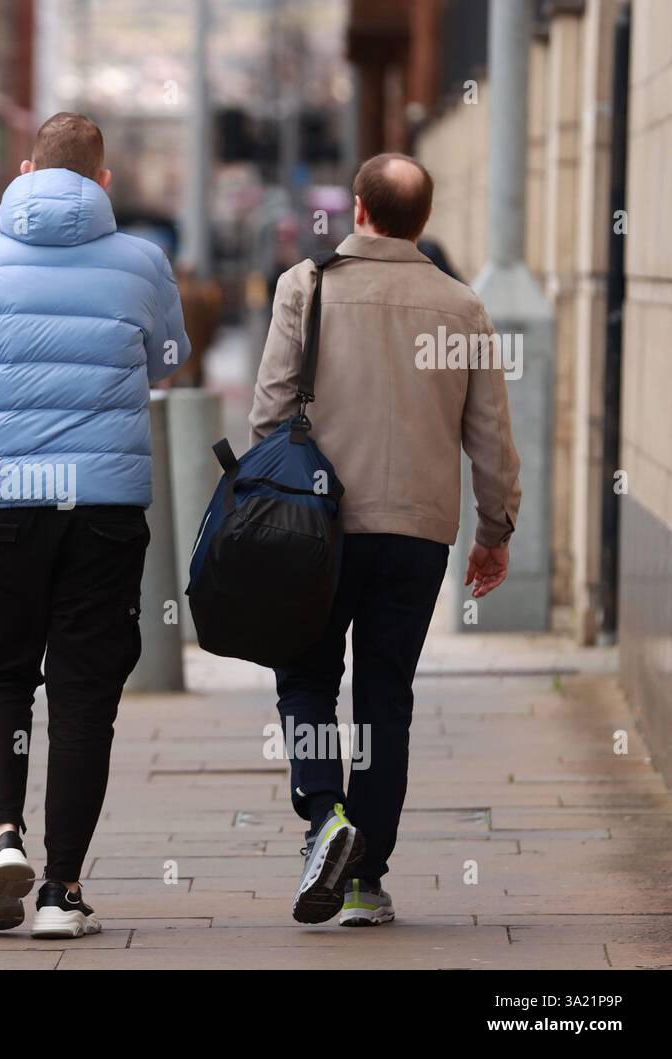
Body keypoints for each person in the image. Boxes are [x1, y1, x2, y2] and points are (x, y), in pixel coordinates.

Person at [0, 113, 190, 938]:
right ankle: (62, 890)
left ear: (26, 169)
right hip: (103, 509)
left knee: (0, 676)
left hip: (2, 506)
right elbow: (172, 358)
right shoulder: (142, 261)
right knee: (84, 694)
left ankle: (0, 839)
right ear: (103, 182)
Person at [250, 152, 521, 927]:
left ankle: (324, 814)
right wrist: (494, 530)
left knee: (304, 677)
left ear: (358, 212)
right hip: (416, 534)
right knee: (384, 699)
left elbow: (268, 415)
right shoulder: (461, 305)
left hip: (315, 527)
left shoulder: (307, 285)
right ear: (422, 221)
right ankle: (366, 882)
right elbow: (492, 439)